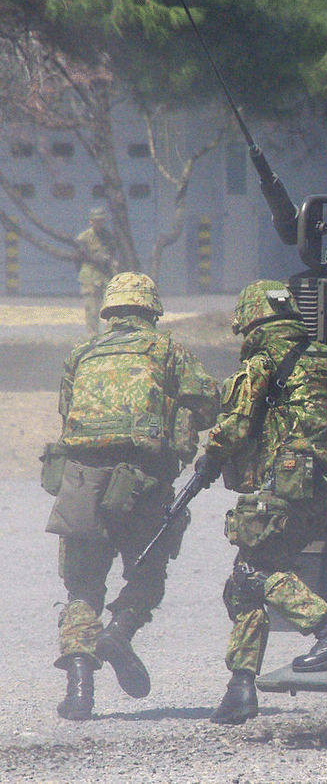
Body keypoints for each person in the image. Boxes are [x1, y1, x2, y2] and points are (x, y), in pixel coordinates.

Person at [45, 272, 219, 720]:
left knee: (82, 586)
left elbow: (68, 416)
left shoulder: (79, 353)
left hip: (82, 482)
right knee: (146, 574)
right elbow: (207, 403)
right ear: (151, 310)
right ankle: (119, 632)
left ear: (109, 310)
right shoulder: (169, 351)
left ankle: (80, 689)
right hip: (143, 483)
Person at [195, 280, 327, 726]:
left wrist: (207, 461)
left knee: (256, 571)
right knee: (243, 582)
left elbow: (235, 424)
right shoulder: (324, 356)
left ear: (250, 321)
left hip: (284, 483)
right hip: (326, 486)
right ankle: (241, 687)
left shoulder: (263, 360)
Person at [74, 207, 120, 334]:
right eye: (96, 220)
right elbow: (78, 259)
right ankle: (92, 338)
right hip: (90, 278)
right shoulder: (83, 238)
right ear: (91, 221)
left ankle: (111, 337)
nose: (99, 223)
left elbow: (112, 255)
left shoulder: (109, 237)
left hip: (105, 277)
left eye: (101, 220)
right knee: (92, 311)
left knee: (111, 310)